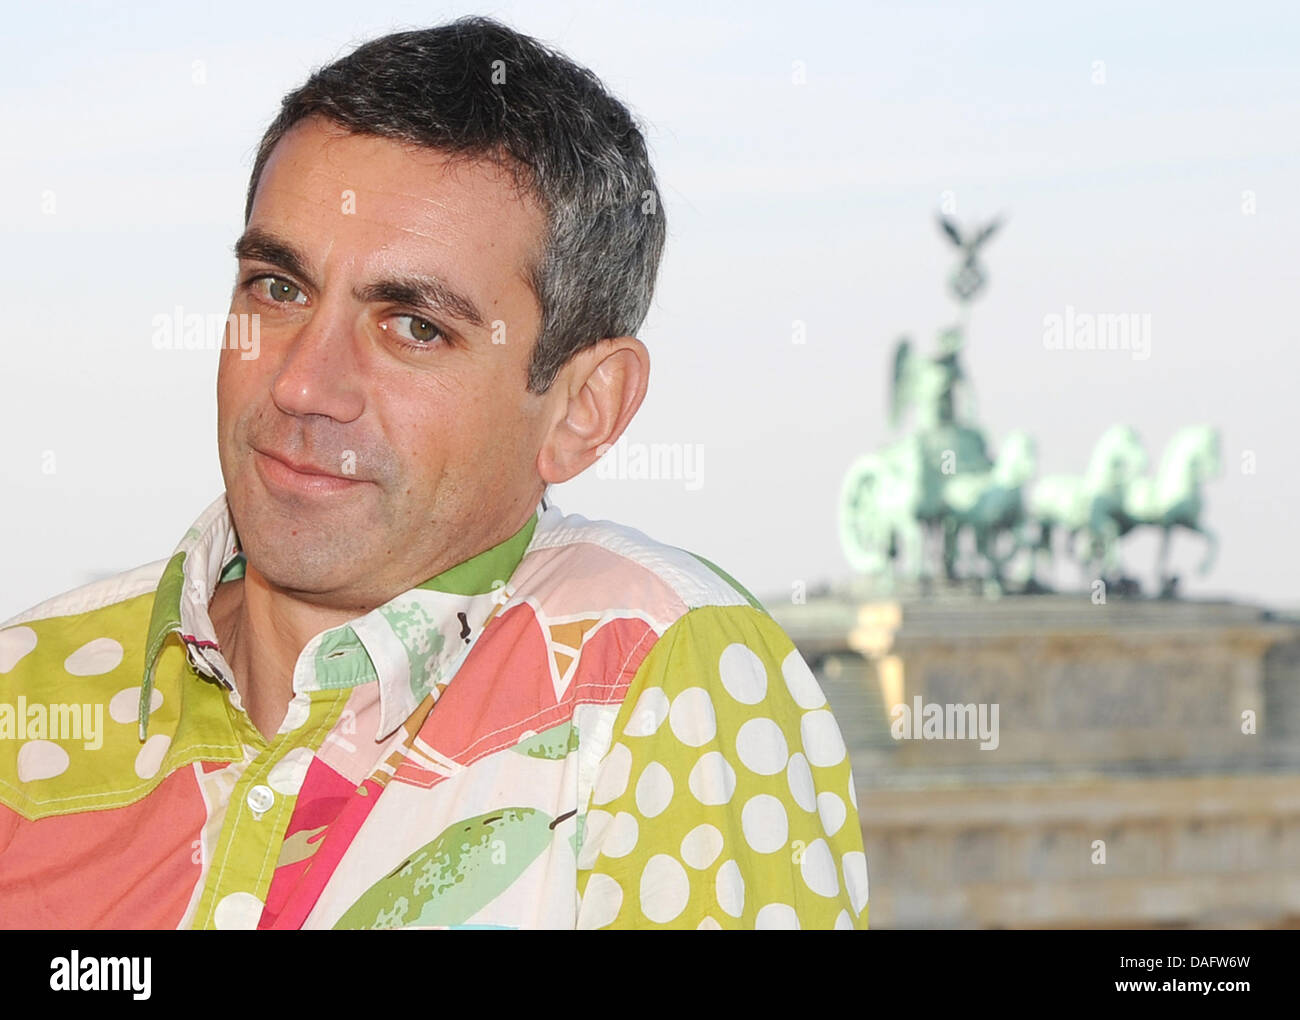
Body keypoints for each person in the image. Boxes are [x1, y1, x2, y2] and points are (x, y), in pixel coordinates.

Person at [0, 16, 867, 930]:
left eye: (416, 326)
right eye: (278, 288)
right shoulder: (27, 690)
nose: (303, 384)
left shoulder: (655, 677)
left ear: (584, 409)